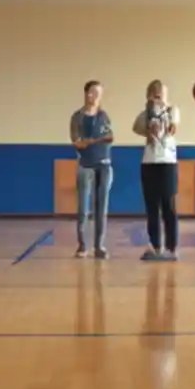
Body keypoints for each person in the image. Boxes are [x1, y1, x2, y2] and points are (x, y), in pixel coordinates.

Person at [132, 80, 180, 260]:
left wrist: (161, 109)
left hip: (167, 162)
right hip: (149, 163)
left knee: (169, 206)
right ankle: (155, 246)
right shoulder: (145, 114)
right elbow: (137, 128)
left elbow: (172, 126)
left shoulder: (172, 110)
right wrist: (150, 111)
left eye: (161, 92)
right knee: (152, 207)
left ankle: (172, 247)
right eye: (153, 92)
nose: (158, 94)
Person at [70, 80, 114, 258]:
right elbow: (77, 143)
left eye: (99, 93)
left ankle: (99, 246)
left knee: (101, 207)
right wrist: (89, 141)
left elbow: (110, 136)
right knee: (83, 208)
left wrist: (93, 141)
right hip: (85, 166)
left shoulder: (104, 116)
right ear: (86, 94)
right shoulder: (77, 117)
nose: (96, 96)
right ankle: (82, 245)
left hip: (104, 164)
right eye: (93, 92)